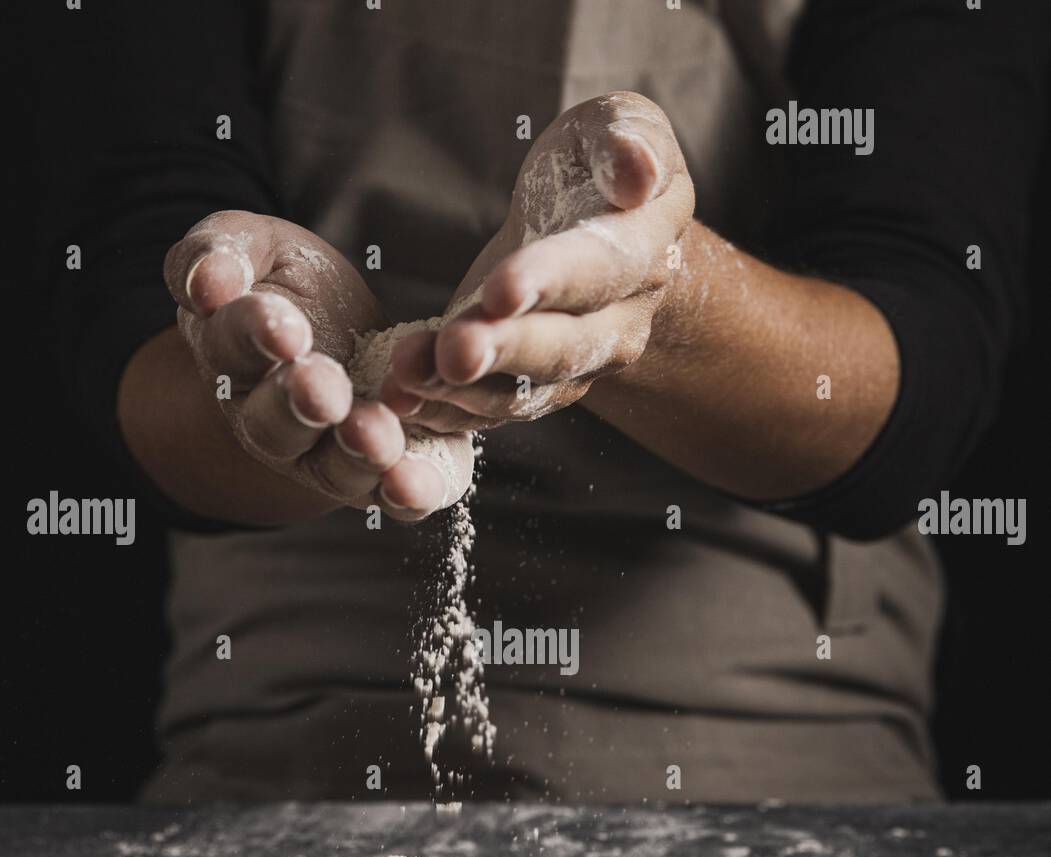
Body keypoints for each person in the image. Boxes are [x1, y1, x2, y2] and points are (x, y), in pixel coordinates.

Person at [53, 0, 1048, 804]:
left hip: (763, 717)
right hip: (287, 701)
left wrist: (661, 309)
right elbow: (122, 342)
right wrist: (263, 372)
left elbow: (926, 369)